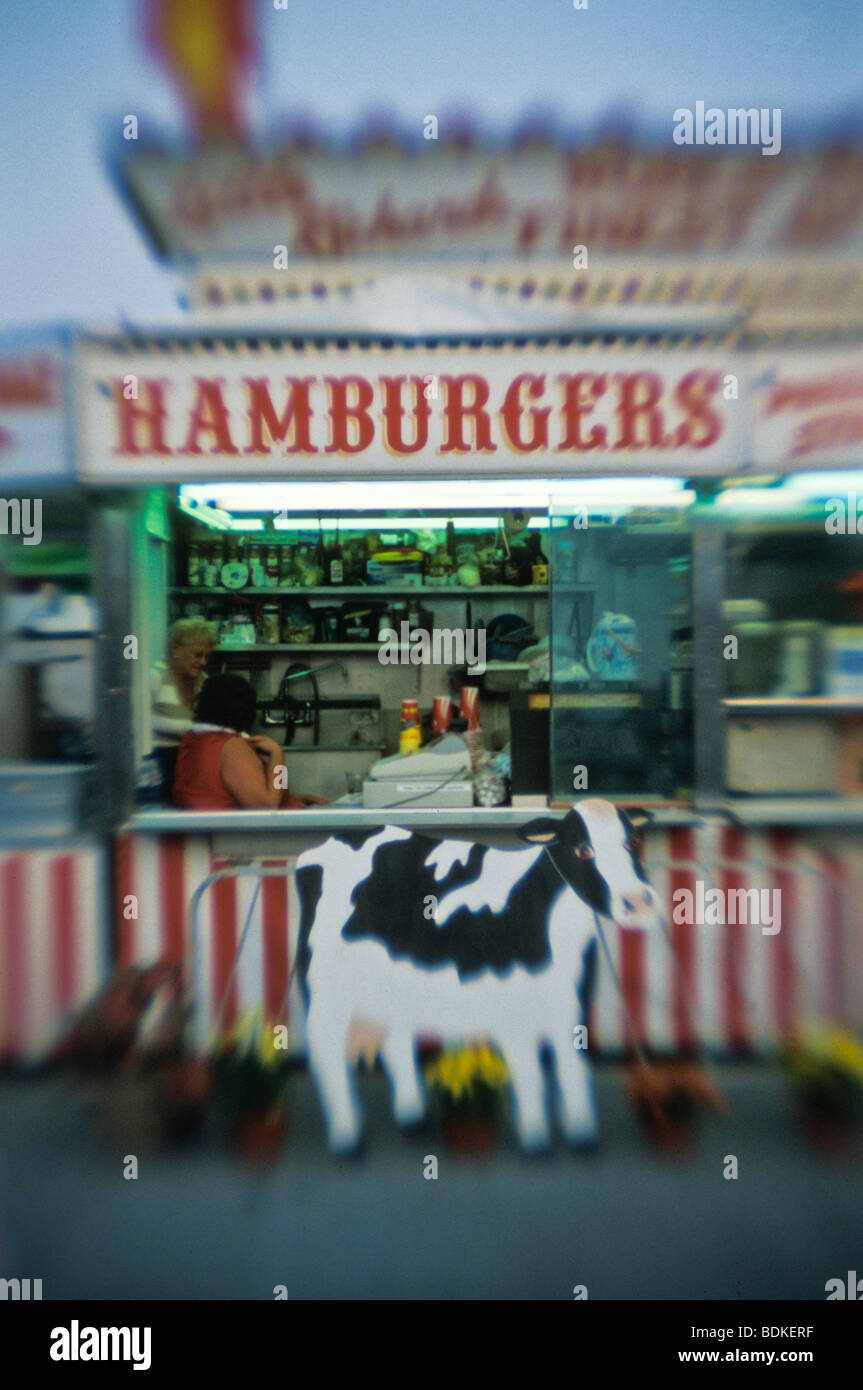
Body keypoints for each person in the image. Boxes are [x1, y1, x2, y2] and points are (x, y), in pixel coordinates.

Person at [172, 673, 327, 810]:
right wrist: (277, 756)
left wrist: (294, 799)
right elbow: (268, 806)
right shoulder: (231, 747)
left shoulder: (192, 739)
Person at [151, 619, 217, 745]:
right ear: (175, 648)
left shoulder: (205, 682)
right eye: (197, 655)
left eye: (207, 656)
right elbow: (136, 722)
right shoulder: (155, 677)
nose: (203, 662)